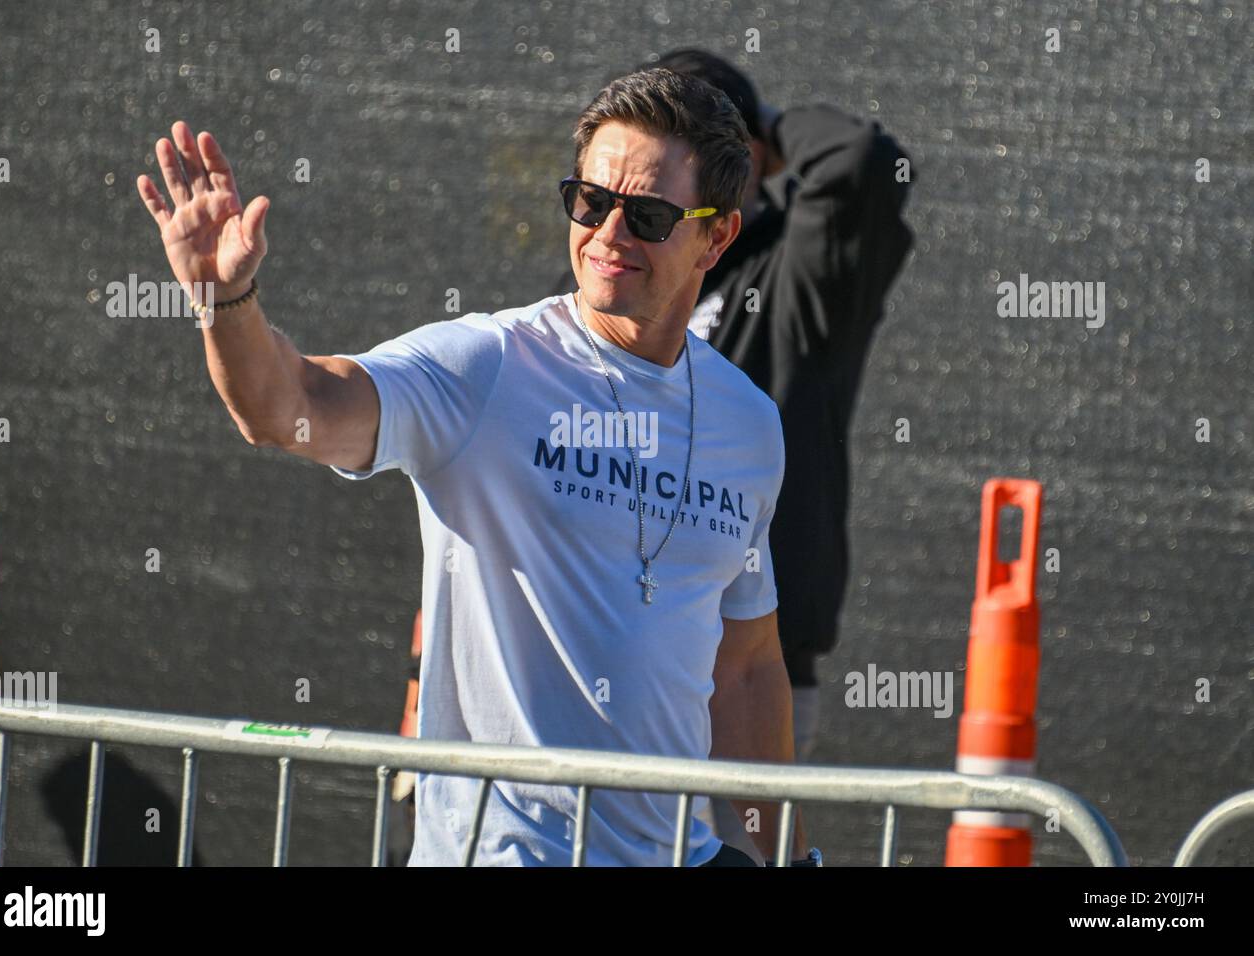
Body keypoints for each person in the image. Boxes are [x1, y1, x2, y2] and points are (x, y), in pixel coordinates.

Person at [136, 67, 821, 866]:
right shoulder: (489, 366)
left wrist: (789, 858)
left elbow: (743, 670)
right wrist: (228, 301)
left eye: (648, 215)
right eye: (590, 202)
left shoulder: (748, 424)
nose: (607, 236)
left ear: (718, 236)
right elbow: (290, 410)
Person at [543, 49, 916, 863]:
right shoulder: (608, 281)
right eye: (604, 203)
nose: (621, 226)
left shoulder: (797, 274)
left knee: (746, 855)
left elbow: (861, 165)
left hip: (749, 671)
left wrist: (765, 131)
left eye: (654, 210)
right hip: (612, 668)